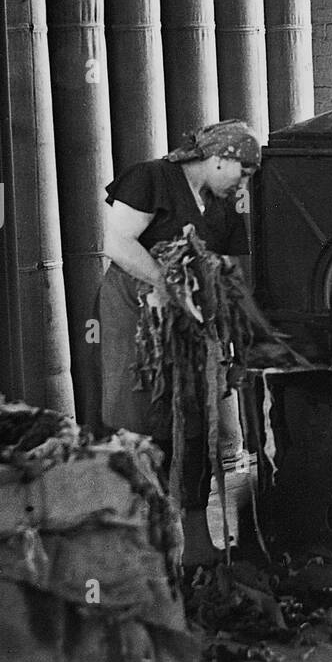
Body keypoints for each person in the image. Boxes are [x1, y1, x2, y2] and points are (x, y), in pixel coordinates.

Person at [97, 119, 260, 522]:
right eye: (243, 174)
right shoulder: (151, 177)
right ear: (221, 159)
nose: (243, 186)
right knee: (137, 407)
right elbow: (117, 243)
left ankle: (189, 524)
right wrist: (168, 285)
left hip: (190, 313)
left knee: (192, 411)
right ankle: (133, 516)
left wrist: (231, 330)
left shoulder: (222, 205)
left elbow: (230, 269)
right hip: (138, 309)